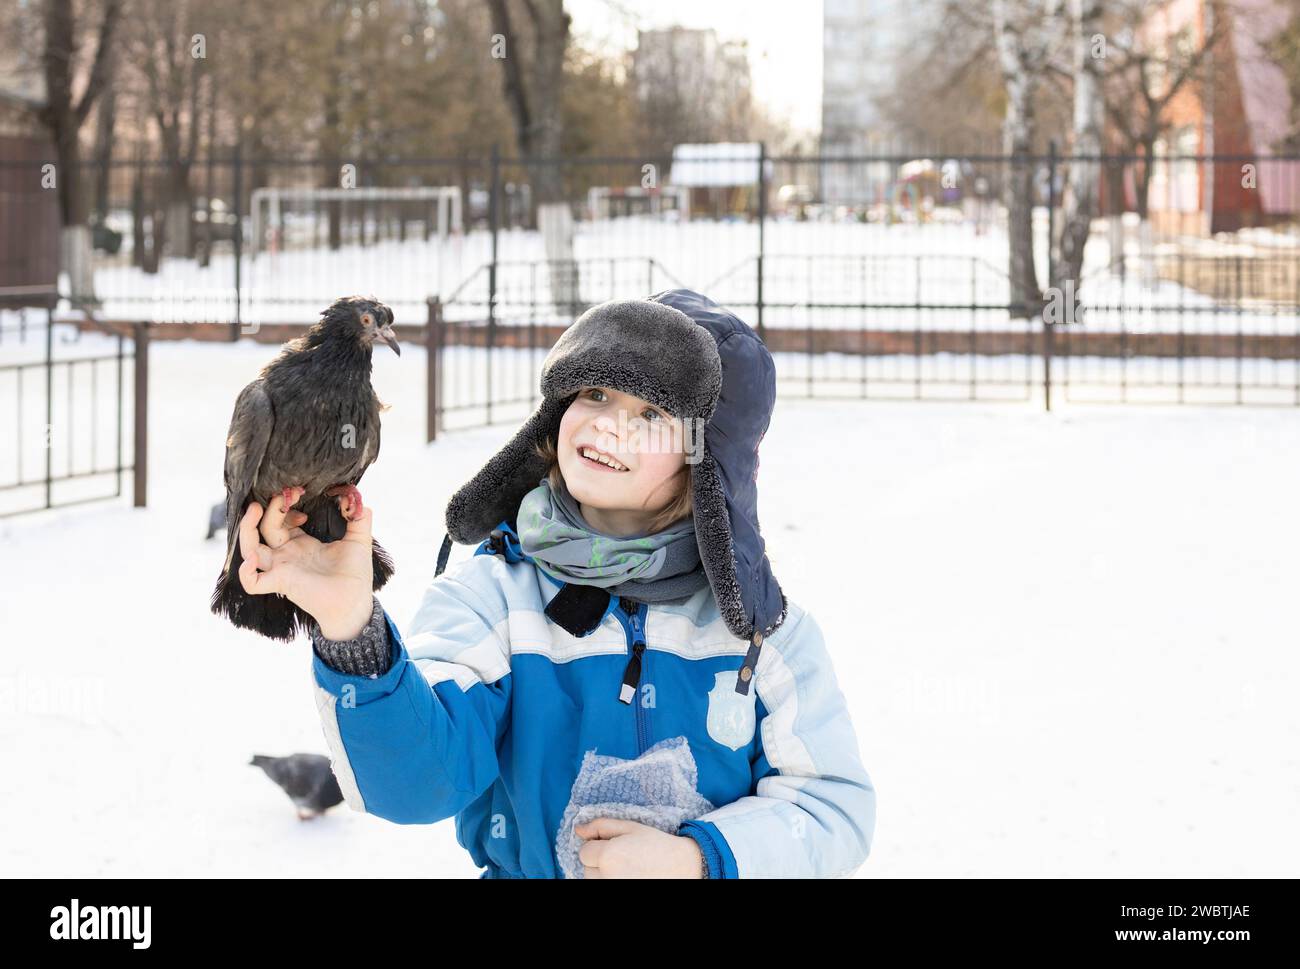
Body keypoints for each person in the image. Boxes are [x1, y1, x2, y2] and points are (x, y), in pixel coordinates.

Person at [236, 288, 877, 878]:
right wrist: (351, 624)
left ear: (707, 460)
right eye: (595, 395)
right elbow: (416, 783)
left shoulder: (763, 637)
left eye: (651, 411)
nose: (607, 424)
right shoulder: (491, 598)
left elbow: (832, 813)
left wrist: (700, 859)